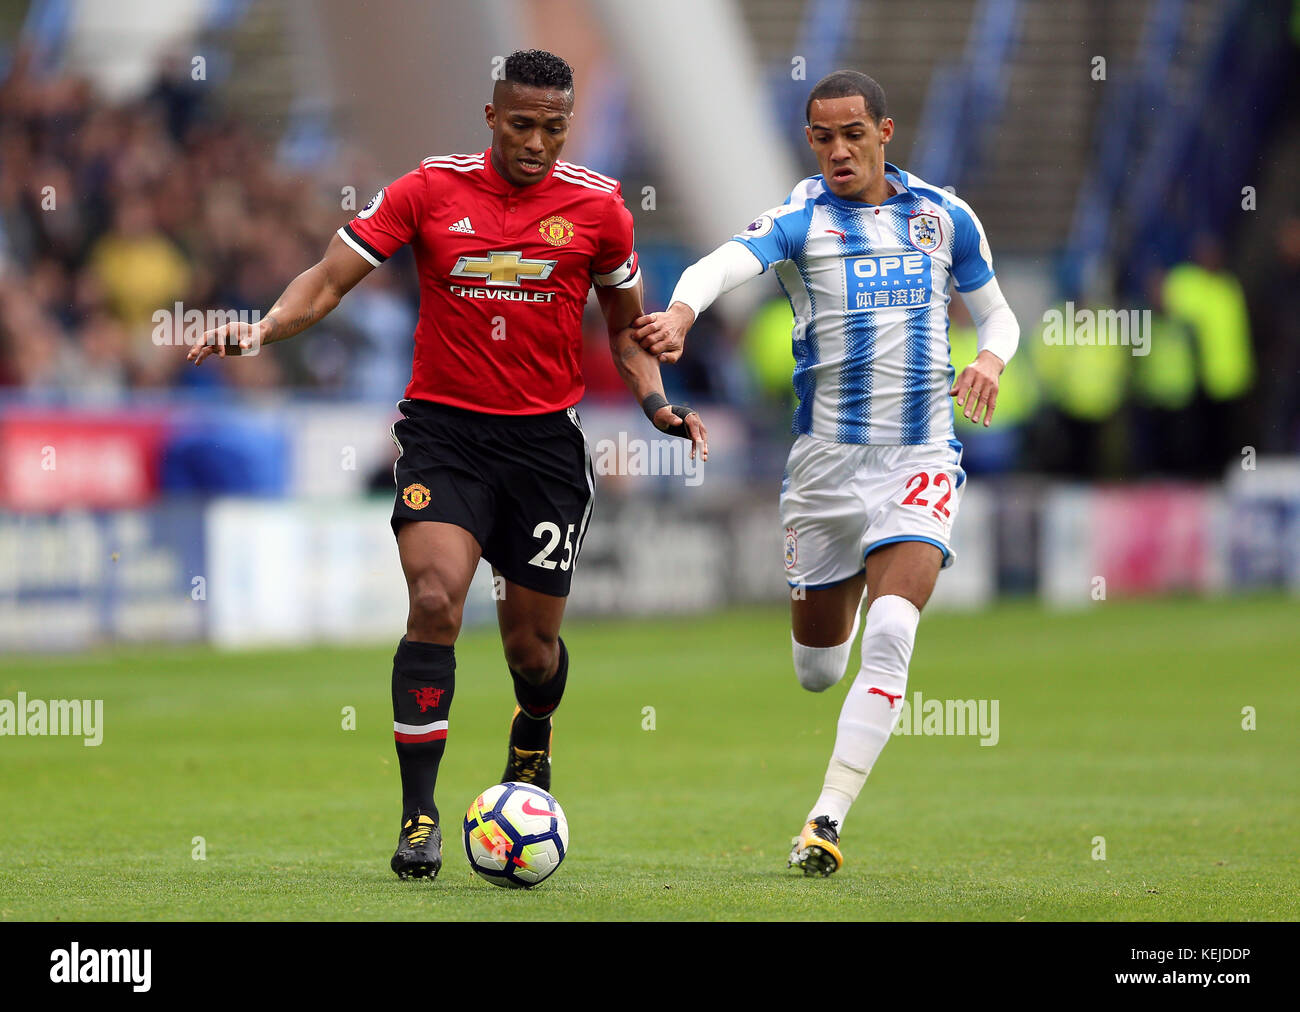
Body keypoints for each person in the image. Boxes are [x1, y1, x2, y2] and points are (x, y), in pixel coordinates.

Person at [188, 50, 707, 880]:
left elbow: (624, 330)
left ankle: (531, 736)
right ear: (493, 116)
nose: (538, 142)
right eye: (524, 123)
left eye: (554, 127)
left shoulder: (602, 209)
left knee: (533, 653)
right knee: (434, 600)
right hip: (446, 436)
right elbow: (326, 283)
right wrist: (261, 328)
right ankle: (419, 817)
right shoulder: (428, 190)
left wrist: (656, 406)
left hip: (543, 448)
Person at [633, 70, 1017, 876]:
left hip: (919, 458)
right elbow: (721, 263)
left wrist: (989, 355)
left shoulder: (943, 217)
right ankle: (829, 611)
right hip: (823, 473)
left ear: (885, 131)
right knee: (817, 670)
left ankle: (825, 819)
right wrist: (679, 310)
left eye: (852, 133)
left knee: (893, 630)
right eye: (822, 136)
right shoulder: (800, 221)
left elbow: (999, 311)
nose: (838, 149)